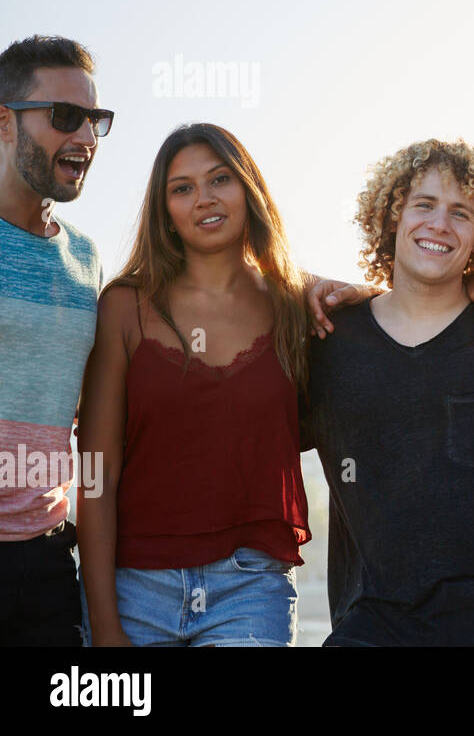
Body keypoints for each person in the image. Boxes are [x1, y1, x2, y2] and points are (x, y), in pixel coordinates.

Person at [302, 137, 474, 646]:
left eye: (461, 213)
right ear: (391, 218)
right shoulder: (330, 341)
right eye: (423, 205)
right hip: (372, 621)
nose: (438, 224)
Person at [78, 123, 312, 646]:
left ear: (248, 189)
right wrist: (104, 623)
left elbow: (400, 308)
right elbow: (97, 472)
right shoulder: (124, 307)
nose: (204, 199)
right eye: (182, 188)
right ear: (165, 211)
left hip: (249, 588)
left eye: (220, 179)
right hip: (134, 587)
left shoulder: (294, 306)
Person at [0, 35, 110, 646]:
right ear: (5, 122)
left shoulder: (86, 259)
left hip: (45, 566)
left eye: (94, 120)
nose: (86, 138)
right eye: (65, 117)